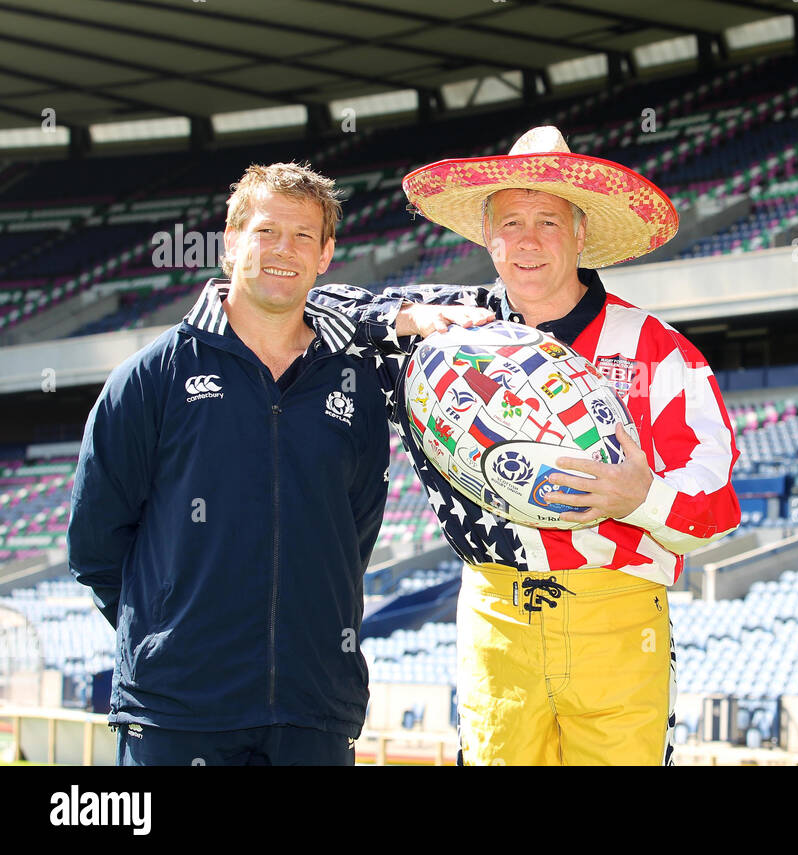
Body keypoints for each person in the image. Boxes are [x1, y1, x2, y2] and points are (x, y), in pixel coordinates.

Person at [310, 126, 741, 765]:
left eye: (549, 220)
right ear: (487, 236)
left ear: (582, 233)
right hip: (495, 620)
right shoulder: (445, 332)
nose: (528, 241)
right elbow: (303, 308)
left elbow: (719, 514)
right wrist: (404, 318)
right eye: (511, 222)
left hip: (617, 621)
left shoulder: (656, 349)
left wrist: (642, 495)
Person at [66, 162, 485, 765]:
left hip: (312, 708)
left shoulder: (356, 382)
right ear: (232, 241)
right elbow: (96, 545)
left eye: (303, 237)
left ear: (325, 255)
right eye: (266, 232)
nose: (283, 250)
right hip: (177, 712)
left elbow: (351, 534)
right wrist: (171, 635)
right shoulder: (152, 376)